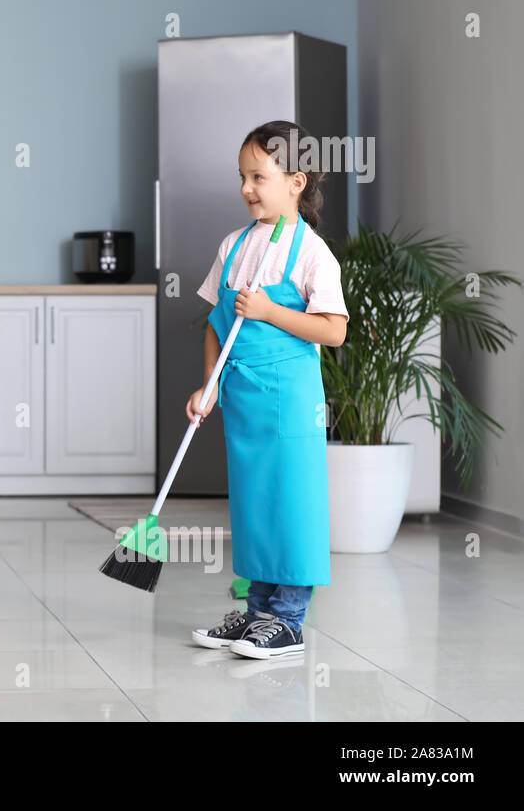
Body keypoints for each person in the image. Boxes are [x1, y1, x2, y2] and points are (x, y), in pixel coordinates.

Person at [188, 121, 349, 659]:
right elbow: (215, 324)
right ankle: (258, 612)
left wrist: (272, 311)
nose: (246, 188)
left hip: (290, 398)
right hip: (242, 397)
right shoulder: (233, 245)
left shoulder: (311, 253)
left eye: (259, 175)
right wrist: (207, 386)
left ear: (296, 182)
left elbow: (333, 329)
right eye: (242, 176)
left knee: (291, 503)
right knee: (255, 505)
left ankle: (288, 619)